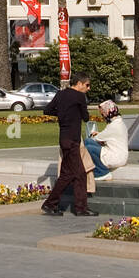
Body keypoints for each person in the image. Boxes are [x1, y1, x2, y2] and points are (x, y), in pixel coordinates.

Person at [42, 71, 97, 216]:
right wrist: (76, 113)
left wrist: (62, 113)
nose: (88, 88)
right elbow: (85, 118)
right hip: (73, 140)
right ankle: (78, 208)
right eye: (87, 85)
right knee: (79, 174)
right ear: (79, 84)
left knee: (68, 173)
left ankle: (55, 204)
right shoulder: (79, 96)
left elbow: (47, 110)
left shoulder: (61, 94)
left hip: (63, 139)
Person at [84, 99, 128, 179]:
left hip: (116, 156)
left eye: (103, 113)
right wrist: (99, 134)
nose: (102, 116)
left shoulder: (114, 126)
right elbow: (106, 135)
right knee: (88, 142)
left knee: (88, 148)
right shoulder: (118, 122)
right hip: (119, 154)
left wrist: (97, 135)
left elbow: (96, 138)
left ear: (107, 112)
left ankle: (102, 172)